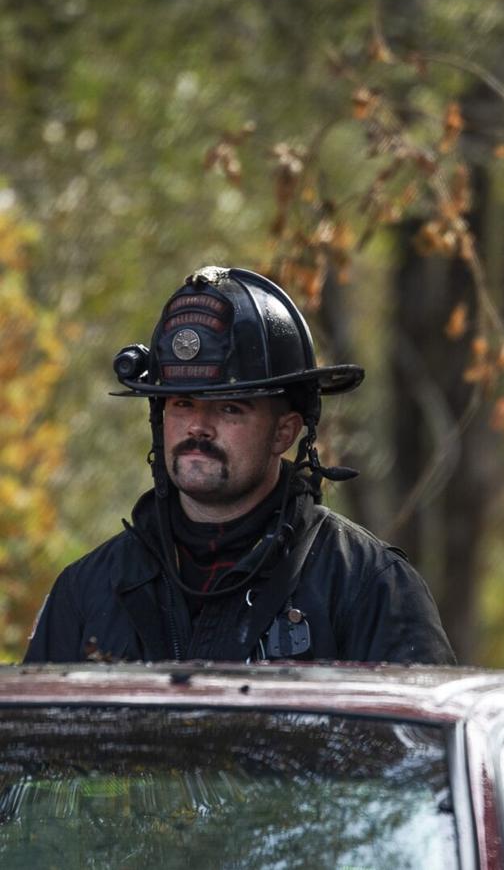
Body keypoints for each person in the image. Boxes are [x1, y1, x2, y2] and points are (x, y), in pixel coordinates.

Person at [25, 266, 455, 664]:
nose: (198, 427)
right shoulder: (88, 591)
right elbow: (30, 744)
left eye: (230, 408)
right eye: (182, 404)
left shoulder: (368, 587)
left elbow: (418, 743)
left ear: (284, 433)